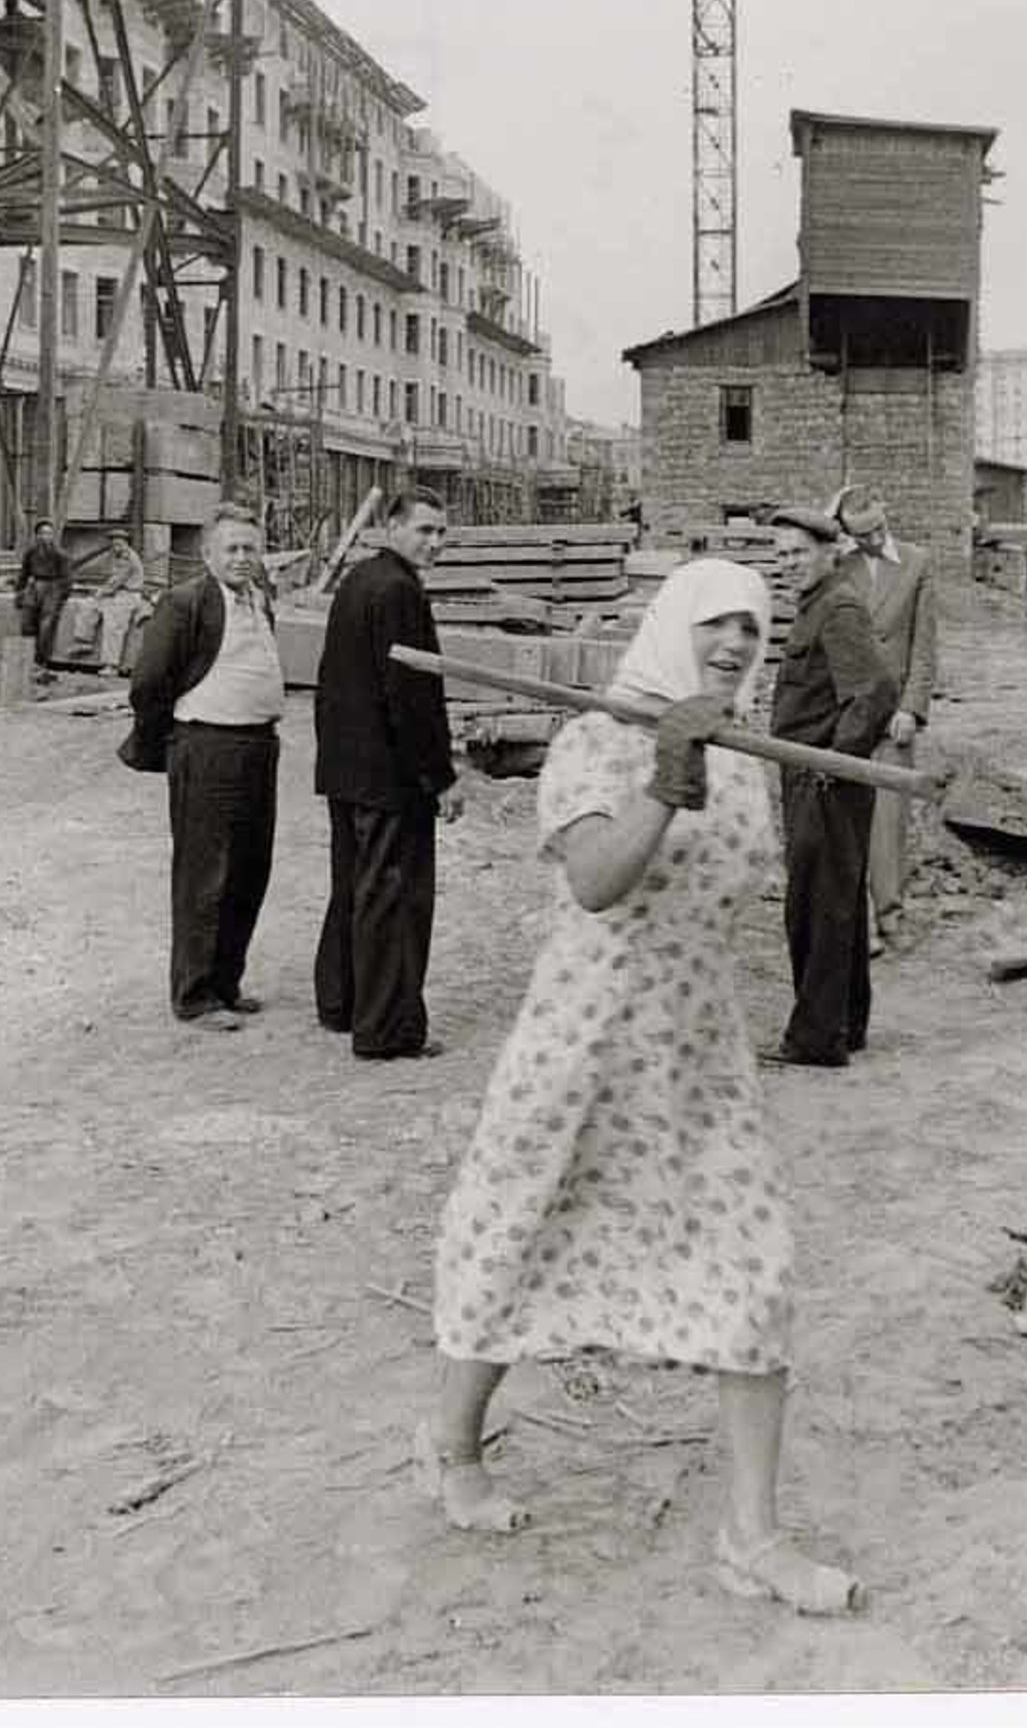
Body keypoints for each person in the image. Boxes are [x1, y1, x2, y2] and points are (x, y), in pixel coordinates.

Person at [420, 560, 860, 1615]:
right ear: (672, 628)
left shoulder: (742, 753)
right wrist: (664, 779)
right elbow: (595, 882)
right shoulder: (592, 741)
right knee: (519, 1236)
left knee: (752, 1271)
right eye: (714, 626)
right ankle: (451, 1449)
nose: (732, 646)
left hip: (698, 1047)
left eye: (751, 633)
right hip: (584, 1035)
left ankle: (751, 1539)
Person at [313, 489, 463, 1061]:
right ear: (392, 528)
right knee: (394, 900)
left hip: (349, 769)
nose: (435, 544)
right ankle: (387, 1030)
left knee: (354, 887)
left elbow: (333, 677)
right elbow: (411, 696)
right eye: (425, 531)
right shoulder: (399, 590)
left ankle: (341, 1004)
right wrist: (439, 776)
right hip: (390, 776)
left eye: (442, 533)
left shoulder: (358, 579)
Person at [126, 503, 285, 1030]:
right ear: (209, 554)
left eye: (251, 548)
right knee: (204, 874)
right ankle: (194, 995)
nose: (243, 558)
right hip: (207, 747)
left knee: (248, 870)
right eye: (232, 549)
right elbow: (149, 682)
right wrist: (172, 742)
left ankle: (225, 983)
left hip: (258, 748)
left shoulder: (261, 601)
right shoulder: (184, 602)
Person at [762, 505, 898, 1069]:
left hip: (826, 780)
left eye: (797, 553)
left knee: (816, 905)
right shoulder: (817, 602)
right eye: (781, 555)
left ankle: (816, 1037)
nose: (788, 564)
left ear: (828, 551)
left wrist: (833, 763)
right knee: (836, 902)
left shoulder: (838, 606)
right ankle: (845, 1022)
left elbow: (873, 693)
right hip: (814, 774)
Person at [831, 485, 937, 953]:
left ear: (885, 515)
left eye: (877, 529)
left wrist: (911, 707)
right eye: (861, 535)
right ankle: (859, 924)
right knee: (846, 816)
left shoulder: (917, 563)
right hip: (849, 713)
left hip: (894, 715)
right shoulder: (839, 567)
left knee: (890, 817)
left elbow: (924, 646)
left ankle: (891, 914)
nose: (873, 540)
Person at [14, 519, 71, 674]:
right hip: (34, 586)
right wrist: (19, 592)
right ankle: (26, 658)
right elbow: (24, 573)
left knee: (46, 626)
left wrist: (61, 597)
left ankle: (41, 661)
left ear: (52, 536)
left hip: (52, 588)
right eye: (42, 533)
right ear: (36, 536)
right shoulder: (30, 553)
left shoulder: (60, 555)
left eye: (48, 534)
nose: (45, 537)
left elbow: (67, 578)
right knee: (26, 622)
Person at [95, 529, 149, 673]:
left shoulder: (127, 557)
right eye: (113, 544)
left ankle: (110, 665)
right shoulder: (120, 556)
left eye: (119, 544)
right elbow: (113, 578)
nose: (115, 547)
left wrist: (102, 592)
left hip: (127, 596)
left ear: (126, 543)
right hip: (125, 594)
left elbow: (118, 580)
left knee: (113, 628)